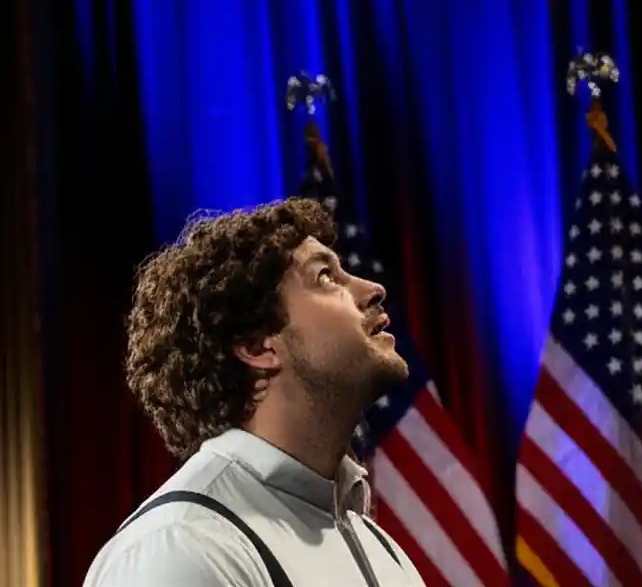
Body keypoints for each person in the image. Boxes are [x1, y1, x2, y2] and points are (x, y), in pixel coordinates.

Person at [84, 198, 427, 586]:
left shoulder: (381, 549)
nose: (373, 289)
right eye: (326, 277)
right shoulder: (183, 547)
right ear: (257, 346)